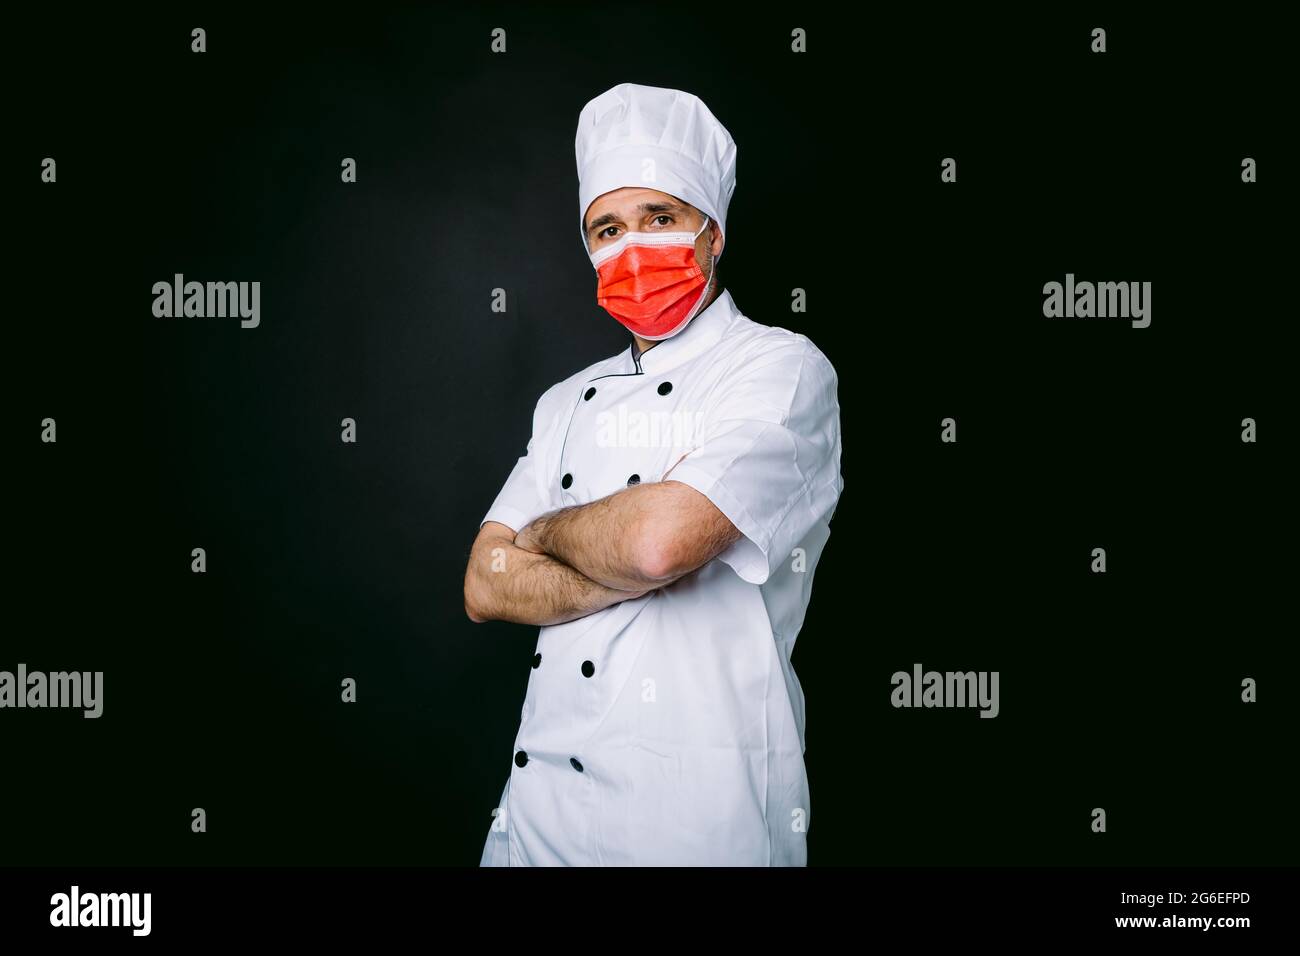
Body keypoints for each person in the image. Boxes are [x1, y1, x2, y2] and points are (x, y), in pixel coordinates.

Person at [464, 82, 843, 865]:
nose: (632, 248)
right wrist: (621, 544)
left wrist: (541, 534)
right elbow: (485, 583)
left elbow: (660, 545)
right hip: (536, 823)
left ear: (714, 234)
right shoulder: (565, 402)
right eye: (607, 228)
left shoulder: (780, 370)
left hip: (697, 822)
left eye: (659, 219)